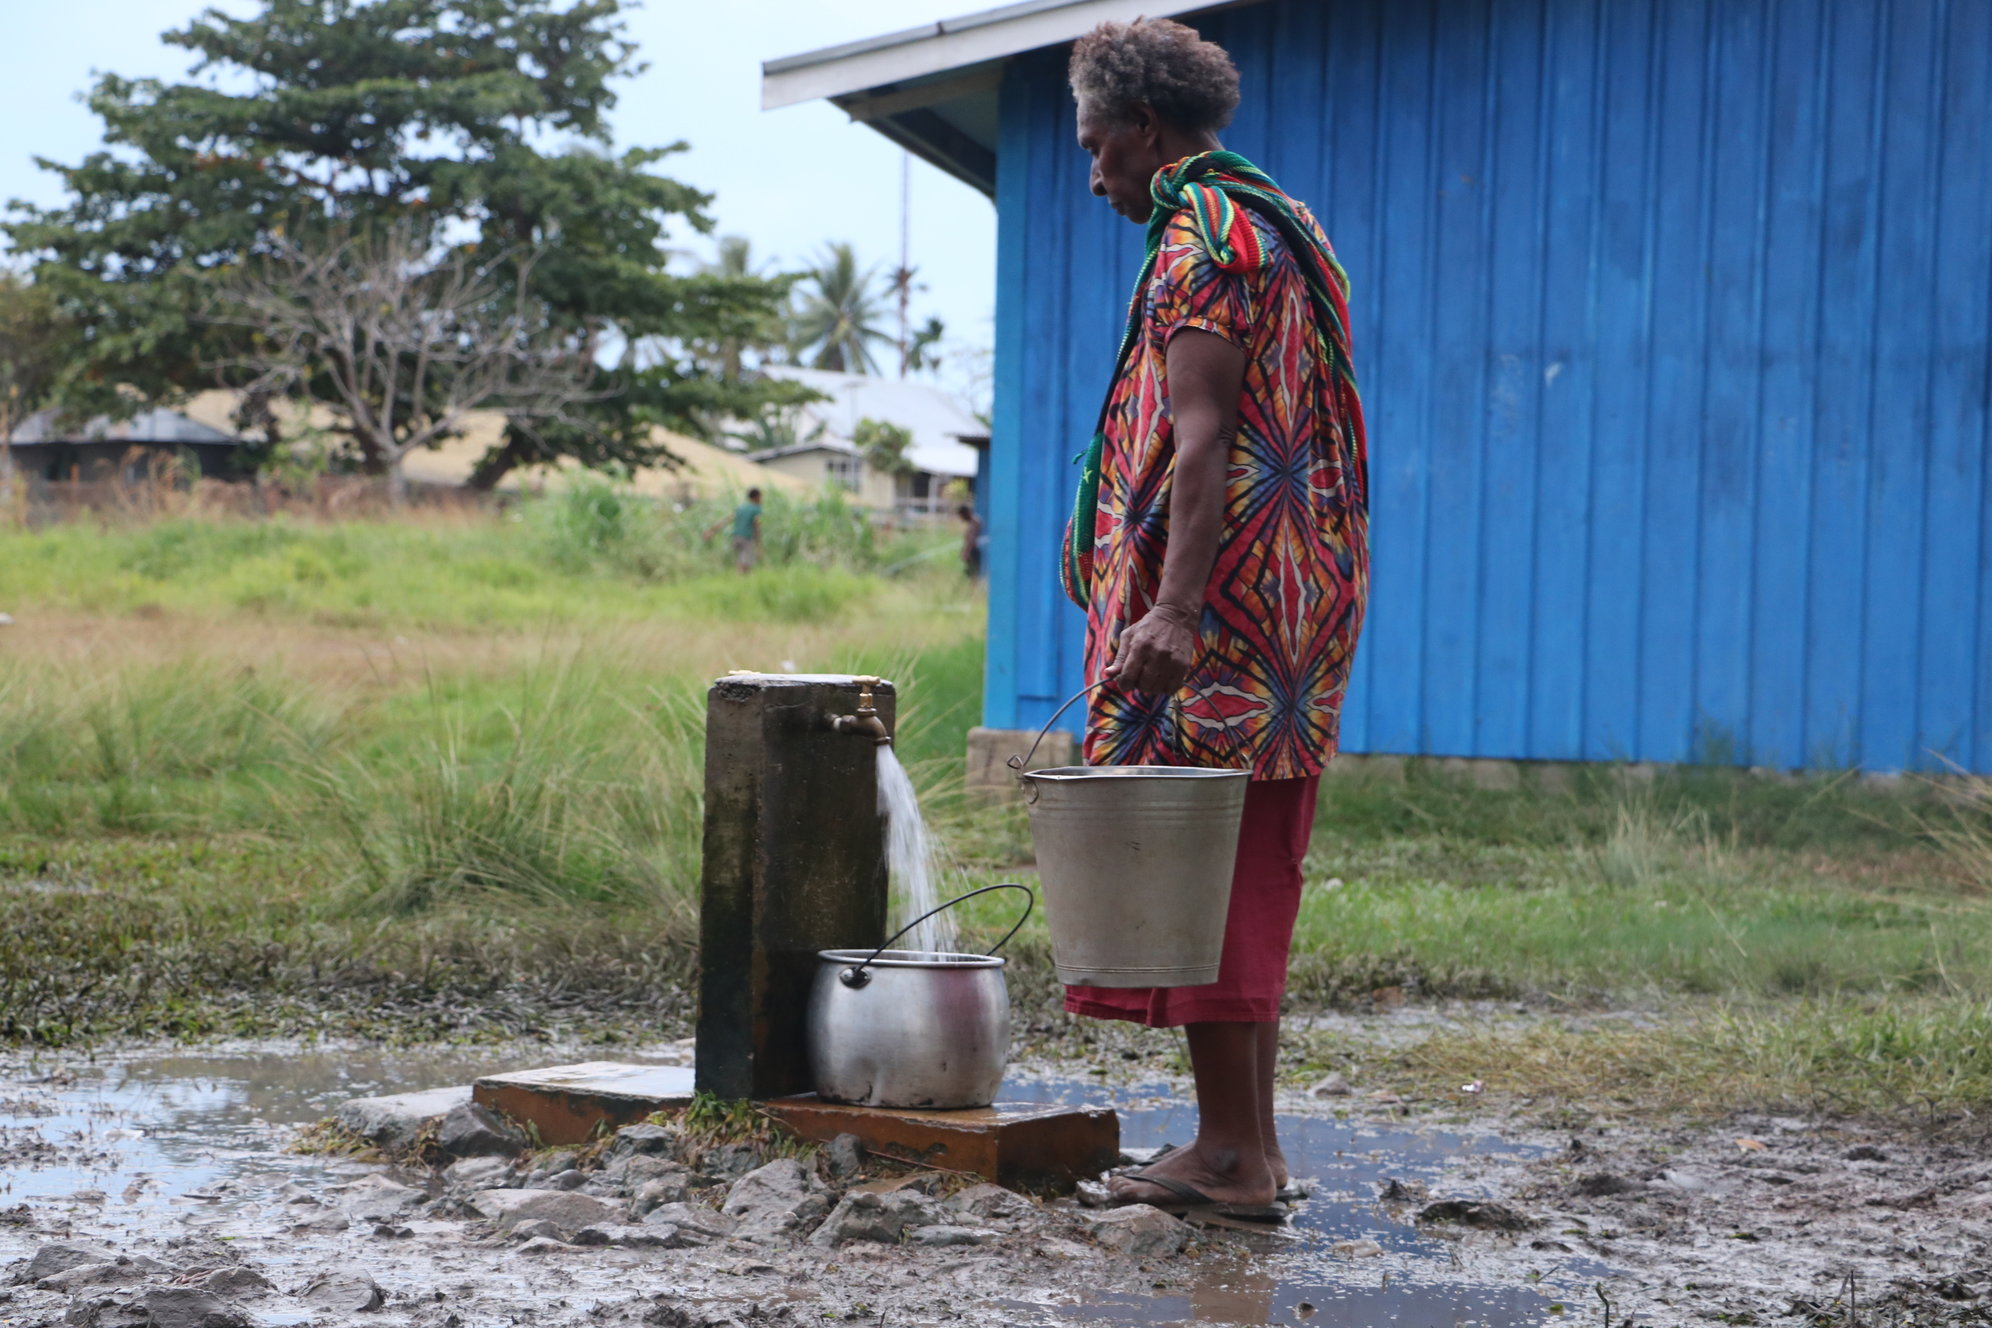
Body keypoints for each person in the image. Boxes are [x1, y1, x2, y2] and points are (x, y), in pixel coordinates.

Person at [1059, 18, 1370, 1215]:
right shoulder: (1279, 219)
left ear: (1143, 126)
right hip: (1293, 595)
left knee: (1202, 868)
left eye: (1097, 145)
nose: (1095, 175)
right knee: (1246, 862)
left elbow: (1203, 437)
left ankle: (1231, 1153)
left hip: (1225, 610)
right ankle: (1247, 1144)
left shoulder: (1205, 240)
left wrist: (1174, 610)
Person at [706, 487, 762, 573]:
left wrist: (712, 530)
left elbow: (726, 519)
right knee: (746, 564)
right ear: (756, 497)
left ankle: (742, 582)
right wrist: (758, 542)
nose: (761, 499)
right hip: (746, 538)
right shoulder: (756, 509)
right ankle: (742, 581)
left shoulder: (741, 508)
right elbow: (756, 526)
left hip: (736, 538)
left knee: (741, 560)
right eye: (760, 497)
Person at [957, 503, 984, 580]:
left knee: (973, 574)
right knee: (970, 573)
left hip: (972, 551)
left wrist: (967, 552)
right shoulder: (972, 522)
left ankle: (973, 589)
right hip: (971, 551)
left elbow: (971, 540)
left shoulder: (974, 522)